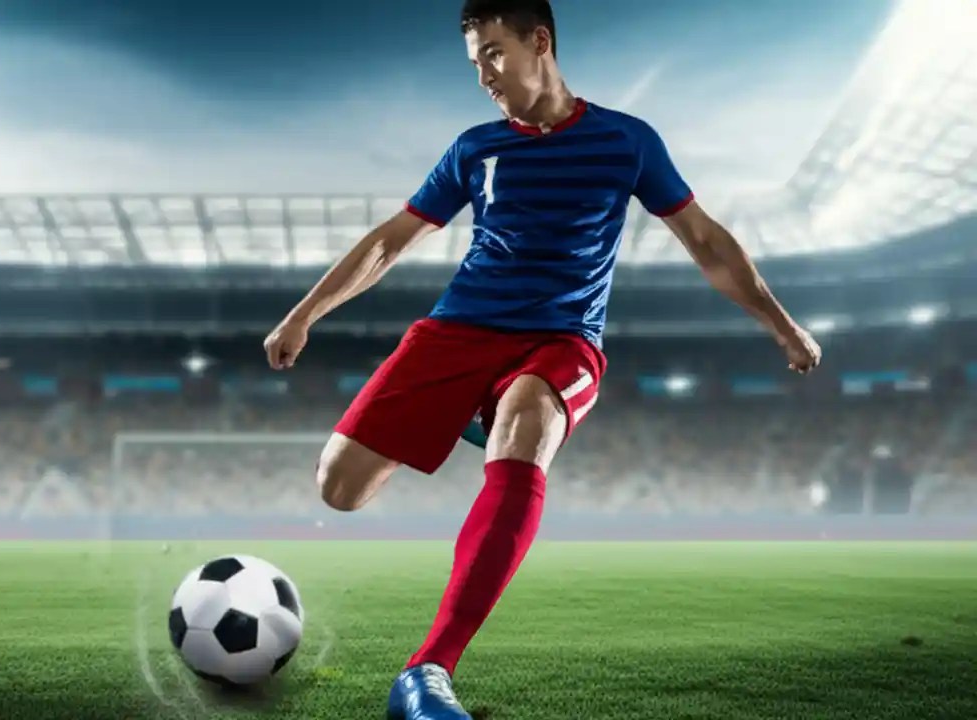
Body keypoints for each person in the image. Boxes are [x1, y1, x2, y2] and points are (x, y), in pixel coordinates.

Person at [263, 0, 821, 717]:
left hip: (562, 341)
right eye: (475, 64)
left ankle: (427, 673)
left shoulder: (627, 141)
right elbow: (389, 241)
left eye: (495, 53)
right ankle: (475, 407)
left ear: (540, 41)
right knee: (339, 488)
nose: (485, 76)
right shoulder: (474, 148)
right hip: (460, 330)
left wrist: (782, 325)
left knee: (526, 423)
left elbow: (707, 241)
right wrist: (304, 313)